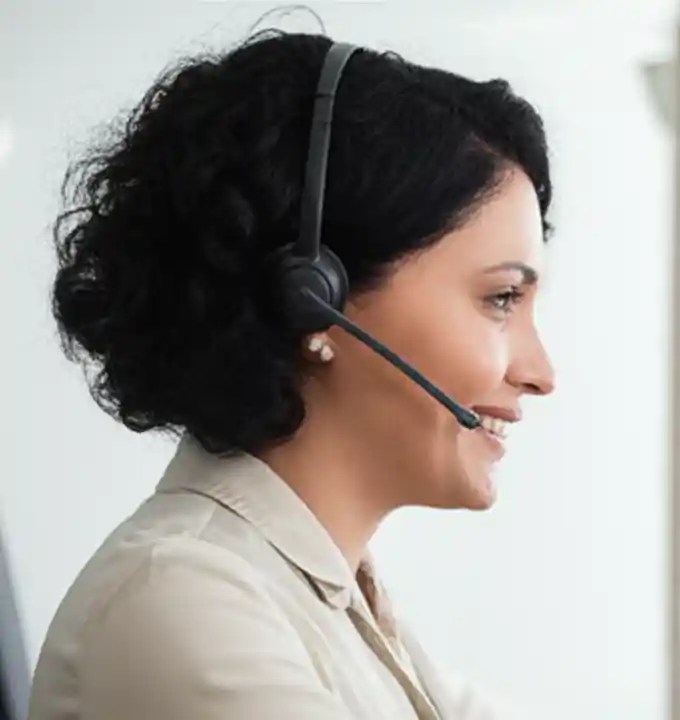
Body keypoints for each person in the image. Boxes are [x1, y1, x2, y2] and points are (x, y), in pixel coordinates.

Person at [27, 28, 555, 720]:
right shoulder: (185, 603)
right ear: (312, 298)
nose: (540, 372)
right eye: (500, 300)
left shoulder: (331, 597)